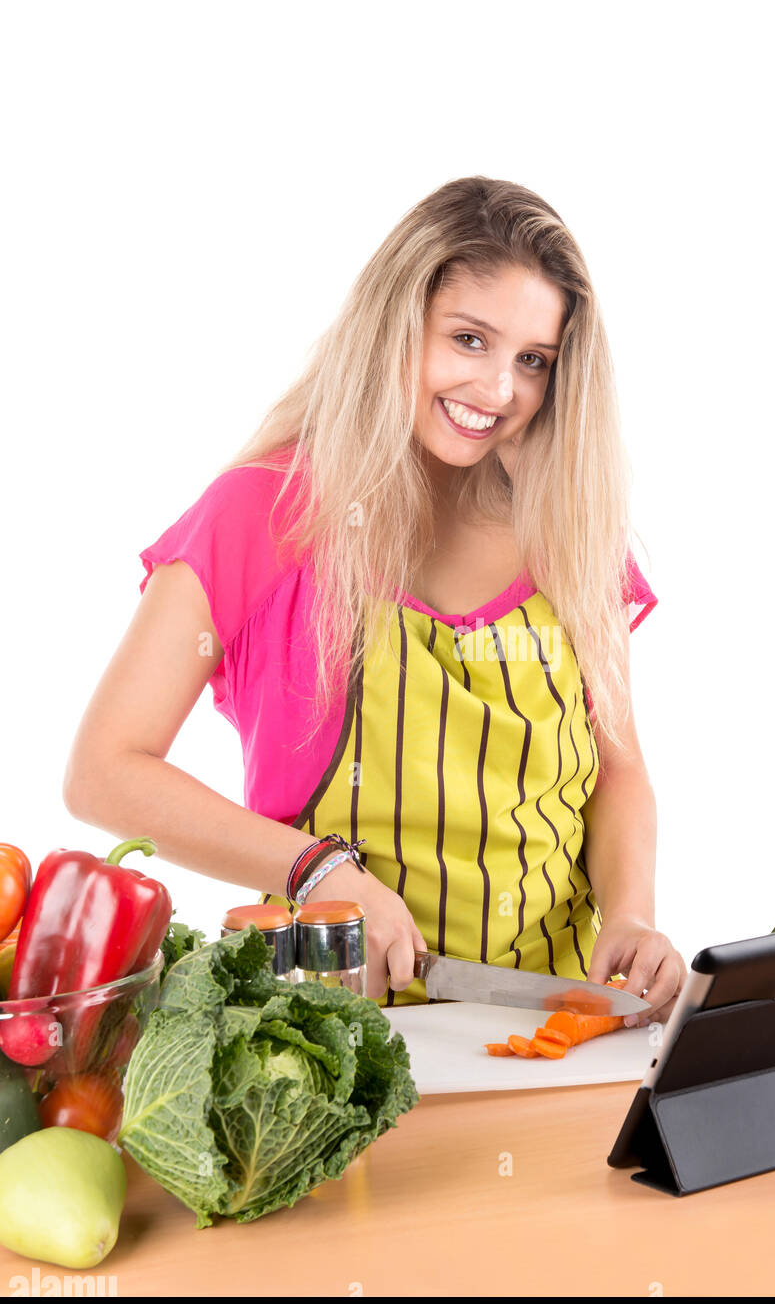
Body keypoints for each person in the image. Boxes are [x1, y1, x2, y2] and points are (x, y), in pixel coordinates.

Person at [63, 176, 685, 1022]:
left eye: (532, 361)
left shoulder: (567, 524)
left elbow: (617, 772)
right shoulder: (264, 512)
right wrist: (320, 871)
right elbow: (105, 772)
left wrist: (631, 914)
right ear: (396, 323)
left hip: (556, 1020)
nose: (499, 391)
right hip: (334, 1026)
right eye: (469, 340)